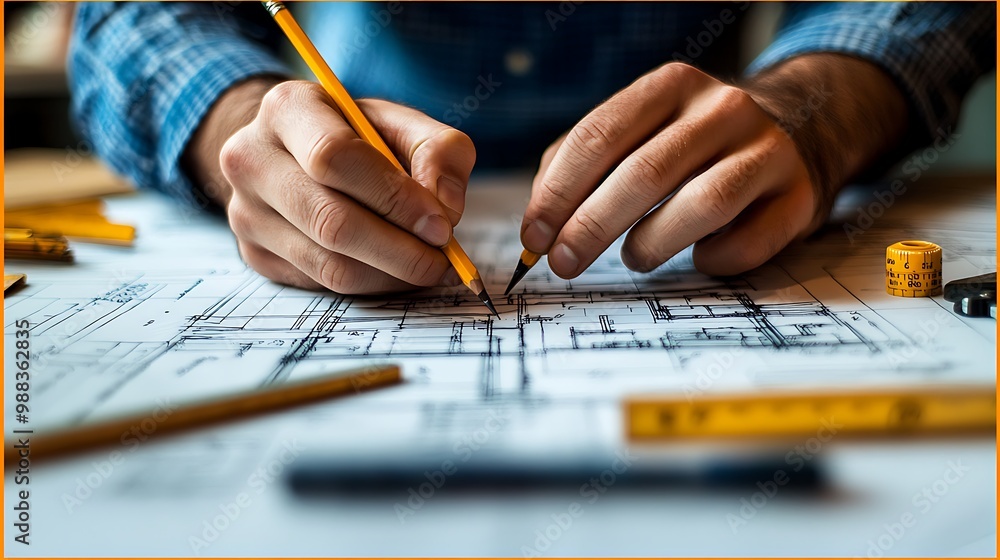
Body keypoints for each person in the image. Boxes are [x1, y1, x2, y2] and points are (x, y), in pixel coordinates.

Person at [69, 2, 994, 294]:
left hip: (712, 194)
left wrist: (815, 109)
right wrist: (240, 124)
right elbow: (129, 16)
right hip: (346, 165)